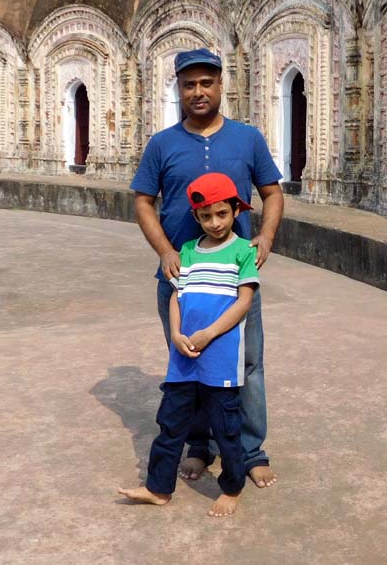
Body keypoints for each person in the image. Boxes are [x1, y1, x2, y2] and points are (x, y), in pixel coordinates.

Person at [131, 48, 284, 488]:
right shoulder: (163, 144)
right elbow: (143, 201)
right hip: (181, 281)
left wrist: (267, 237)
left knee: (247, 365)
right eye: (188, 84)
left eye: (206, 83)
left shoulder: (246, 139)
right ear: (179, 89)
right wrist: (164, 250)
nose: (197, 92)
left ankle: (251, 451)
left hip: (233, 283)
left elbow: (272, 193)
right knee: (190, 361)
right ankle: (201, 447)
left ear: (221, 85)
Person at [118, 173, 259, 517]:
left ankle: (231, 488)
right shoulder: (187, 252)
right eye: (206, 216)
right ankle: (158, 487)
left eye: (222, 214)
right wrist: (177, 335)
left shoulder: (243, 251)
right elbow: (176, 299)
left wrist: (209, 333)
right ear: (195, 217)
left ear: (236, 212)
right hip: (183, 358)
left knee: (226, 428)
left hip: (221, 358)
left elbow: (244, 302)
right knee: (170, 424)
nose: (215, 222)